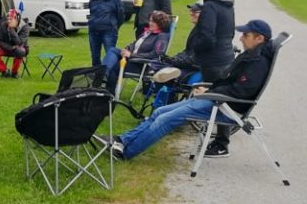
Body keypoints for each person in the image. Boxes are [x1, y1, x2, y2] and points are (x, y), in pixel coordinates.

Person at [111, 20, 274, 160]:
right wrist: (209, 89)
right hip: (217, 100)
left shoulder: (257, 62)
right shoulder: (251, 55)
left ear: (260, 38)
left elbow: (240, 91)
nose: (241, 38)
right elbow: (229, 82)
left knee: (165, 120)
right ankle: (122, 140)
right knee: (159, 111)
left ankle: (125, 153)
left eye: (246, 35)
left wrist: (210, 94)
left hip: (225, 108)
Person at [102, 10, 172, 94]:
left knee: (114, 67)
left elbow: (156, 54)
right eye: (150, 20)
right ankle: (104, 73)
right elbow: (134, 44)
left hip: (141, 64)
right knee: (112, 50)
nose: (150, 23)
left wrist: (131, 55)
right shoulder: (147, 32)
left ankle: (109, 92)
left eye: (153, 22)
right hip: (131, 59)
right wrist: (127, 49)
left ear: (160, 24)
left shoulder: (161, 37)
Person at [192, 0, 235, 82]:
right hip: (227, 57)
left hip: (213, 61)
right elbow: (231, 33)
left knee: (209, 95)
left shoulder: (210, 5)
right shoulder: (227, 3)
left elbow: (207, 38)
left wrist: (195, 47)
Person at [88, 0, 125, 67]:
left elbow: (121, 16)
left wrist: (114, 27)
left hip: (109, 32)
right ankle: (96, 77)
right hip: (93, 32)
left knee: (110, 56)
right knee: (95, 56)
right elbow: (92, 14)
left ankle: (110, 76)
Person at [0, 9, 30, 78]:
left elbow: (19, 43)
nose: (9, 21)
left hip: (20, 48)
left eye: (12, 19)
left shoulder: (25, 27)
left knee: (19, 51)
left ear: (17, 19)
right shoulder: (3, 25)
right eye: (8, 19)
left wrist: (11, 29)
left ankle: (14, 73)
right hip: (7, 48)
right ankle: (4, 72)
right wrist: (10, 48)